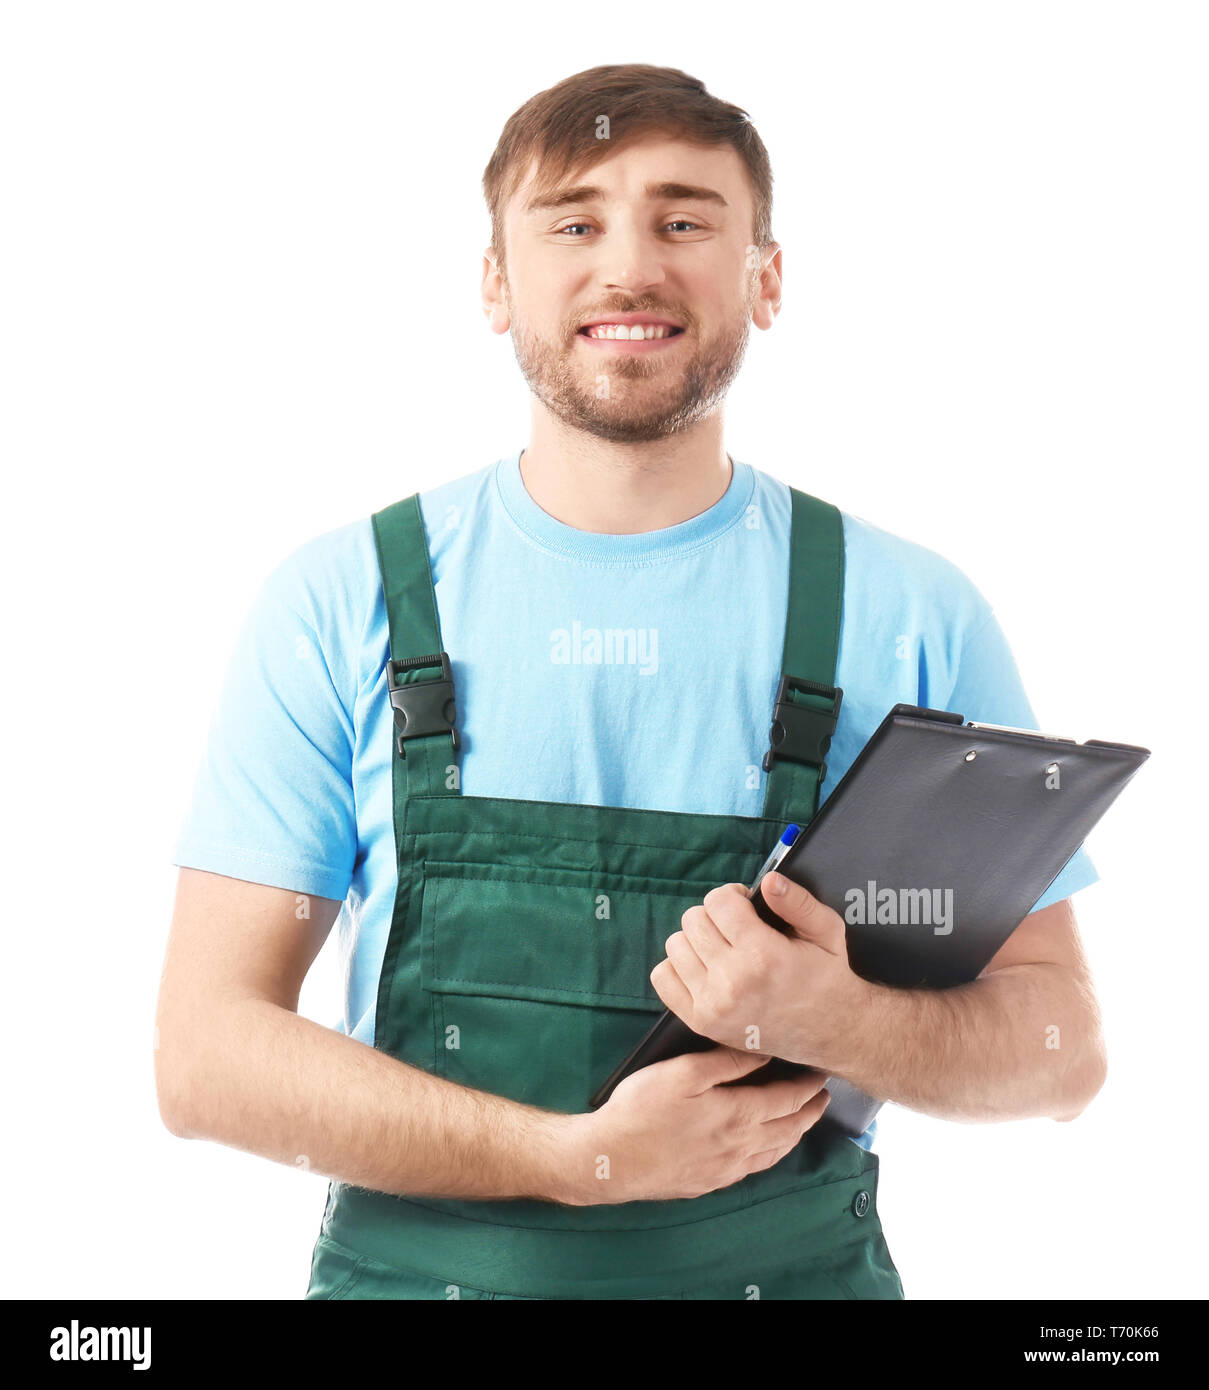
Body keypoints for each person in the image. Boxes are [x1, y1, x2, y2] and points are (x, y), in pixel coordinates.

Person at [156, 64, 1106, 1301]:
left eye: (684, 219)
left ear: (766, 277)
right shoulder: (343, 603)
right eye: (574, 221)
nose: (629, 267)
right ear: (496, 282)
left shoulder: (908, 613)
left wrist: (837, 1017)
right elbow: (206, 1055)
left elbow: (1060, 1049)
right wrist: (579, 1158)